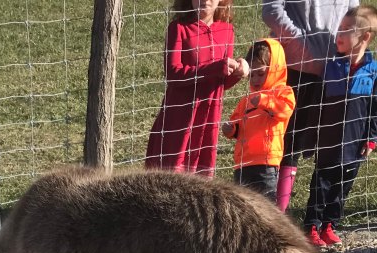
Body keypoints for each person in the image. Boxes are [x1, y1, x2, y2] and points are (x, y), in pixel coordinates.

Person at [262, 0, 354, 209]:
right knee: (279, 141)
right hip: (291, 66)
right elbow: (271, 10)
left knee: (316, 143)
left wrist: (342, 50)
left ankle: (297, 215)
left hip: (333, 69)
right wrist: (301, 46)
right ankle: (269, 211)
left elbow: (352, 14)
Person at [145, 0, 249, 176]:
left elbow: (220, 83)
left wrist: (238, 73)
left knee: (201, 176)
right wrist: (215, 68)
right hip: (180, 116)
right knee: (171, 174)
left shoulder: (227, 30)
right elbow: (173, 75)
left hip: (208, 116)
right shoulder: (178, 28)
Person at [302, 5, 377, 245]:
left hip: (355, 143)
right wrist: (311, 138)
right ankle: (311, 226)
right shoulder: (331, 67)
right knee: (321, 184)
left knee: (343, 186)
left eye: (346, 30)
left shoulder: (373, 72)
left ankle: (329, 225)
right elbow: (316, 106)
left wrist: (371, 138)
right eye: (339, 29)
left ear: (365, 37)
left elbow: (375, 111)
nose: (339, 35)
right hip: (327, 140)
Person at [222, 38, 296, 199]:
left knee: (267, 207)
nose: (255, 80)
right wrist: (230, 129)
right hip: (243, 163)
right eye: (252, 75)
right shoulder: (246, 101)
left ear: (275, 69)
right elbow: (237, 123)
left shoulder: (283, 92)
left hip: (266, 162)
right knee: (244, 206)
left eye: (261, 74)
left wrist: (265, 100)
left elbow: (285, 111)